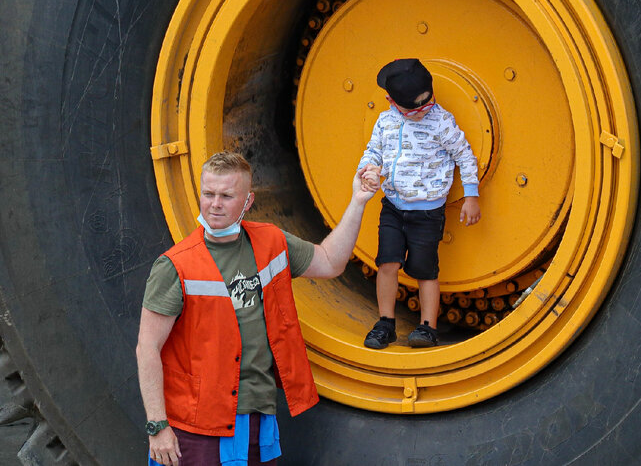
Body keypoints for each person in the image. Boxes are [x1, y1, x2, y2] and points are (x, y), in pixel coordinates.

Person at [137, 151, 378, 466]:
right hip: (198, 425)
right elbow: (147, 348)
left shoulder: (271, 242)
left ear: (247, 201)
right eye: (208, 194)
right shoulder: (175, 265)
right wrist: (157, 425)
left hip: (257, 415)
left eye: (226, 195)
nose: (214, 204)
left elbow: (331, 262)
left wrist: (358, 201)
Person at [357, 58, 481, 350]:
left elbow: (464, 155)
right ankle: (385, 323)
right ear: (391, 101)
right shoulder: (386, 121)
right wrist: (369, 171)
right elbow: (373, 151)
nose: (424, 110)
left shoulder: (441, 121)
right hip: (393, 206)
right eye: (415, 108)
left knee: (426, 271)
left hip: (428, 210)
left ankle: (428, 328)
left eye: (428, 102)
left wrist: (471, 195)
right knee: (387, 262)